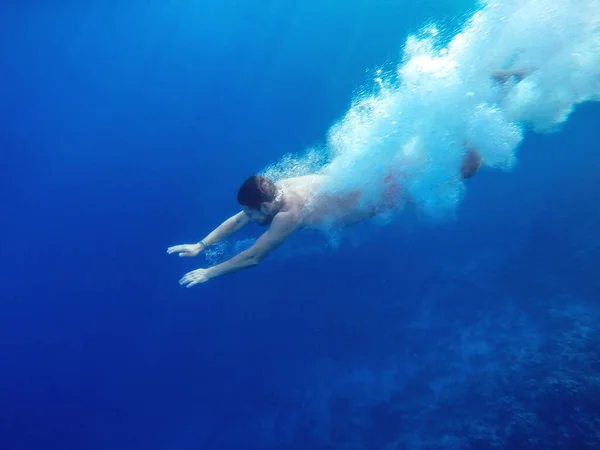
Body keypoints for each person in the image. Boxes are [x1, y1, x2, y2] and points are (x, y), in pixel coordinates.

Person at [167, 149, 482, 288]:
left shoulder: (288, 214)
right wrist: (201, 244)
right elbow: (236, 223)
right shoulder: (275, 191)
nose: (246, 217)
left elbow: (253, 257)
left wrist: (210, 273)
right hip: (364, 177)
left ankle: (473, 133)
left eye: (251, 212)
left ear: (264, 207)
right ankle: (464, 114)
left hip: (378, 194)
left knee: (464, 172)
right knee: (421, 157)